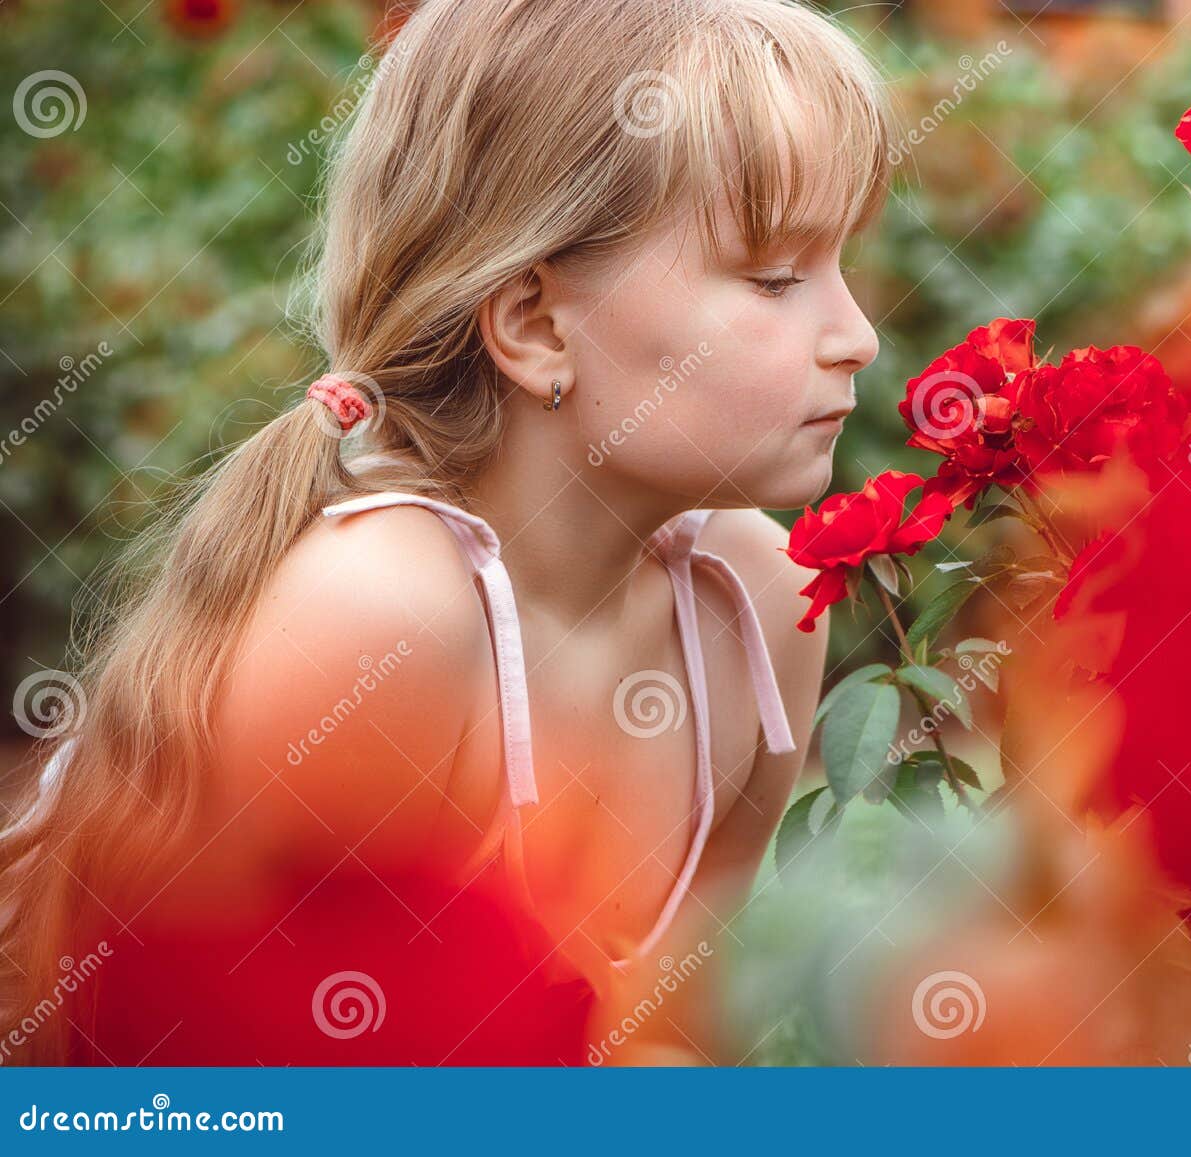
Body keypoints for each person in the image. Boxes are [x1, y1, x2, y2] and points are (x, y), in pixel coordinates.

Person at [0, 0, 891, 1065]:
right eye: (776, 277)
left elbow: (657, 1042)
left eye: (841, 264)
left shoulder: (749, 606)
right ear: (534, 323)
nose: (857, 335)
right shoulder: (379, 626)